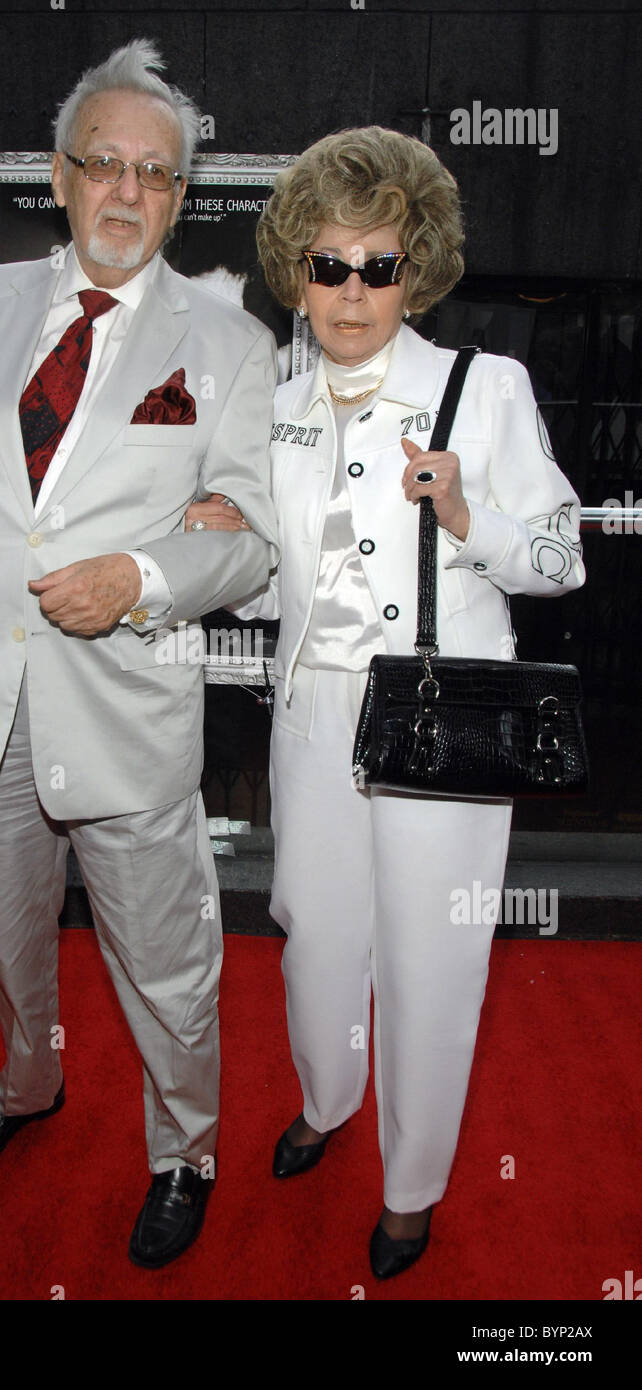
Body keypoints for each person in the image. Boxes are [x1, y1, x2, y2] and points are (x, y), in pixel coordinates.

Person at [0, 39, 278, 1270]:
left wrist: (146, 578)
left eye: (154, 175)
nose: (125, 191)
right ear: (58, 175)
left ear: (177, 194)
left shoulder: (228, 346)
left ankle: (184, 1150)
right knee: (12, 942)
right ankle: (26, 1084)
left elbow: (252, 544)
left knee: (165, 968)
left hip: (129, 721)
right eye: (102, 162)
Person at [186, 126, 584, 1279]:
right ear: (294, 271)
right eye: (327, 264)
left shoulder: (483, 389)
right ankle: (327, 1095)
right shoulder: (271, 395)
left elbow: (561, 557)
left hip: (441, 722)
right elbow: (275, 571)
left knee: (432, 959)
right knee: (310, 935)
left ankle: (410, 1186)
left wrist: (471, 520)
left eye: (377, 265)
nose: (351, 291)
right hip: (311, 719)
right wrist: (223, 537)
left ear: (416, 270)